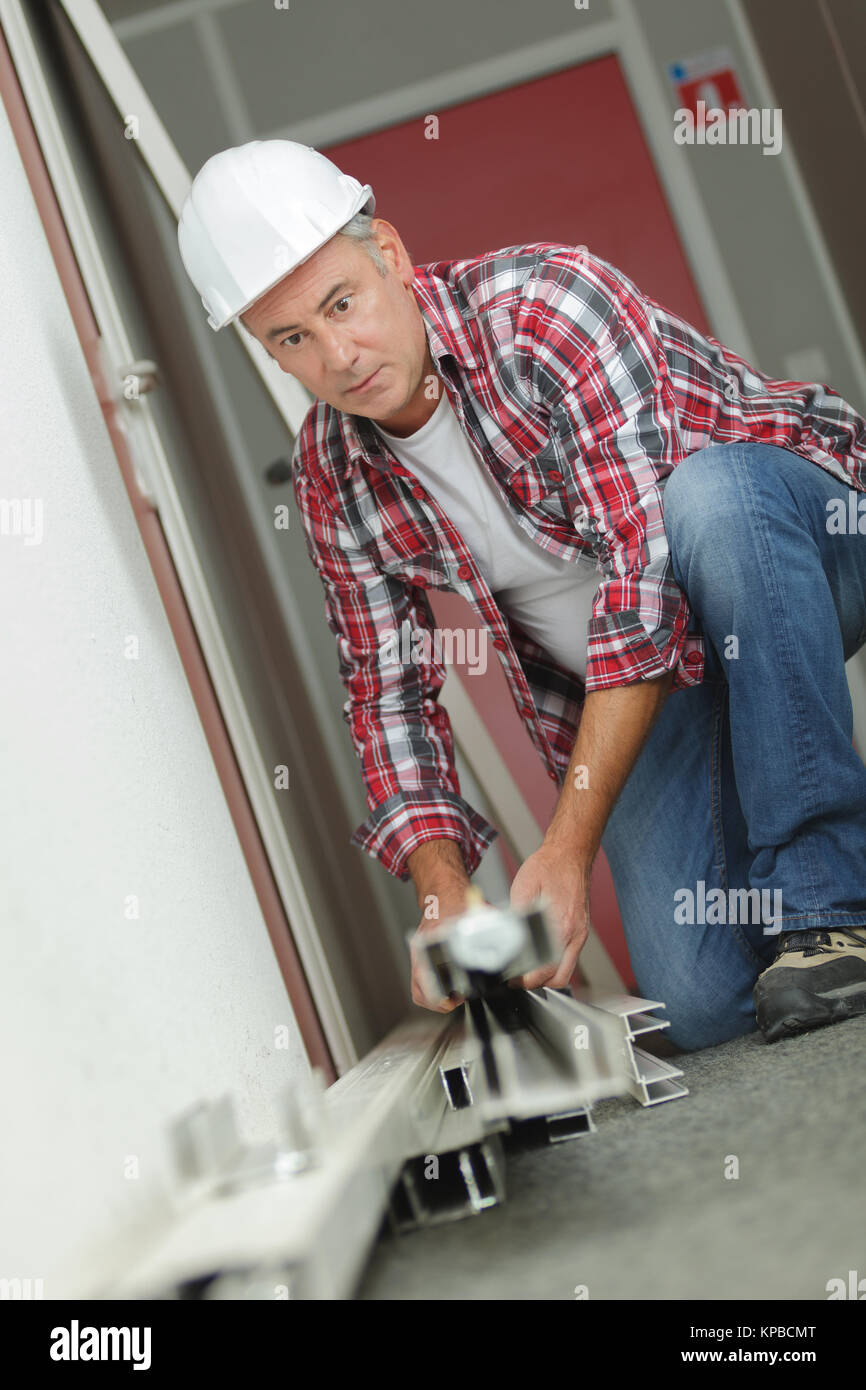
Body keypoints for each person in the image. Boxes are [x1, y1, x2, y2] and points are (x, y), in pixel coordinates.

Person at [178, 139, 866, 1049]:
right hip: (656, 685)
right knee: (700, 1007)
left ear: (388, 254)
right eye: (291, 341)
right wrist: (443, 893)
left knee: (710, 500)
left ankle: (828, 909)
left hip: (803, 549)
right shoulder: (330, 477)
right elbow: (390, 697)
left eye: (341, 303)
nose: (338, 356)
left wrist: (567, 844)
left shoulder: (544, 307)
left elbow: (644, 573)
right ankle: (802, 926)